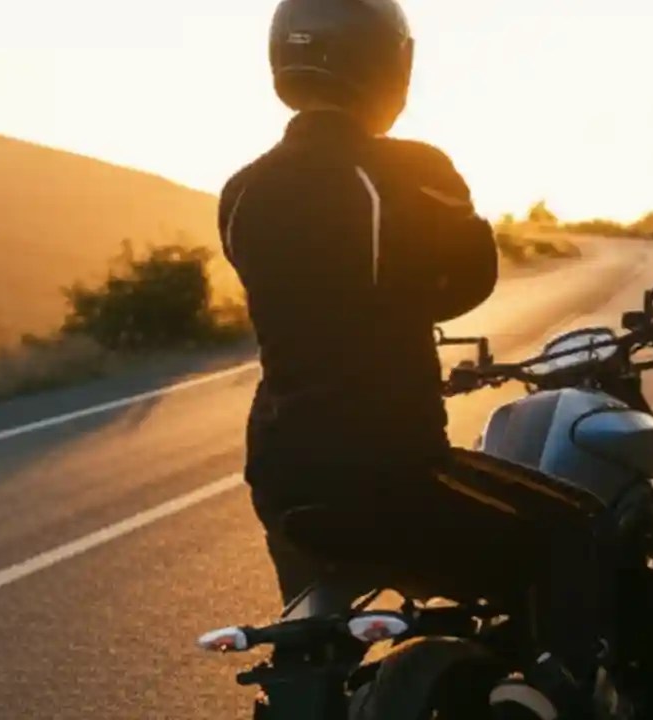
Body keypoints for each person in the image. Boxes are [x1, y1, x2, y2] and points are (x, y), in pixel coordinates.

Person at [218, 1, 611, 717]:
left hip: (281, 477)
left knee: (313, 642)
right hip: (391, 473)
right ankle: (552, 697)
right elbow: (470, 278)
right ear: (386, 60)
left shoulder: (242, 188)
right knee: (574, 531)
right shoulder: (411, 168)